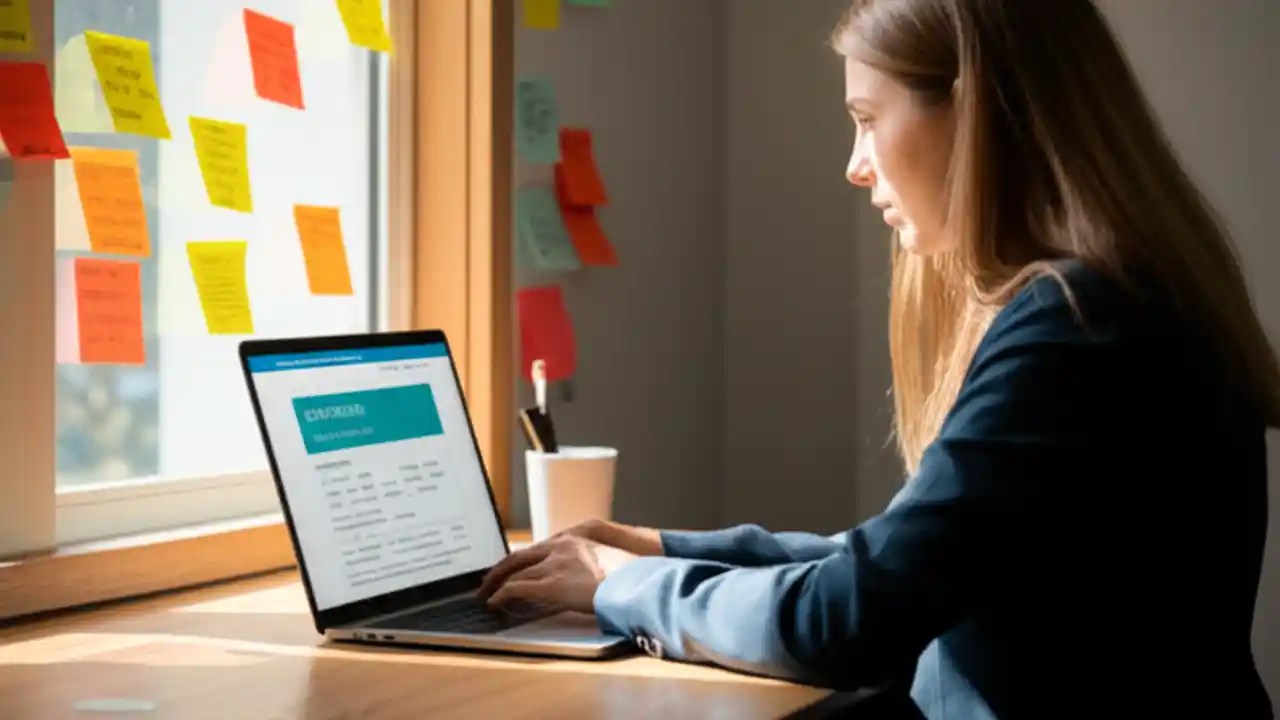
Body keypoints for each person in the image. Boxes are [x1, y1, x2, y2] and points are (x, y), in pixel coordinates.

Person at [480, 0, 1279, 717]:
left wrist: (622, 587)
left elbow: (851, 615)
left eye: (867, 117)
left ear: (976, 115)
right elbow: (902, 556)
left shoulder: (1074, 329)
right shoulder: (1130, 300)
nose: (856, 164)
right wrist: (661, 548)